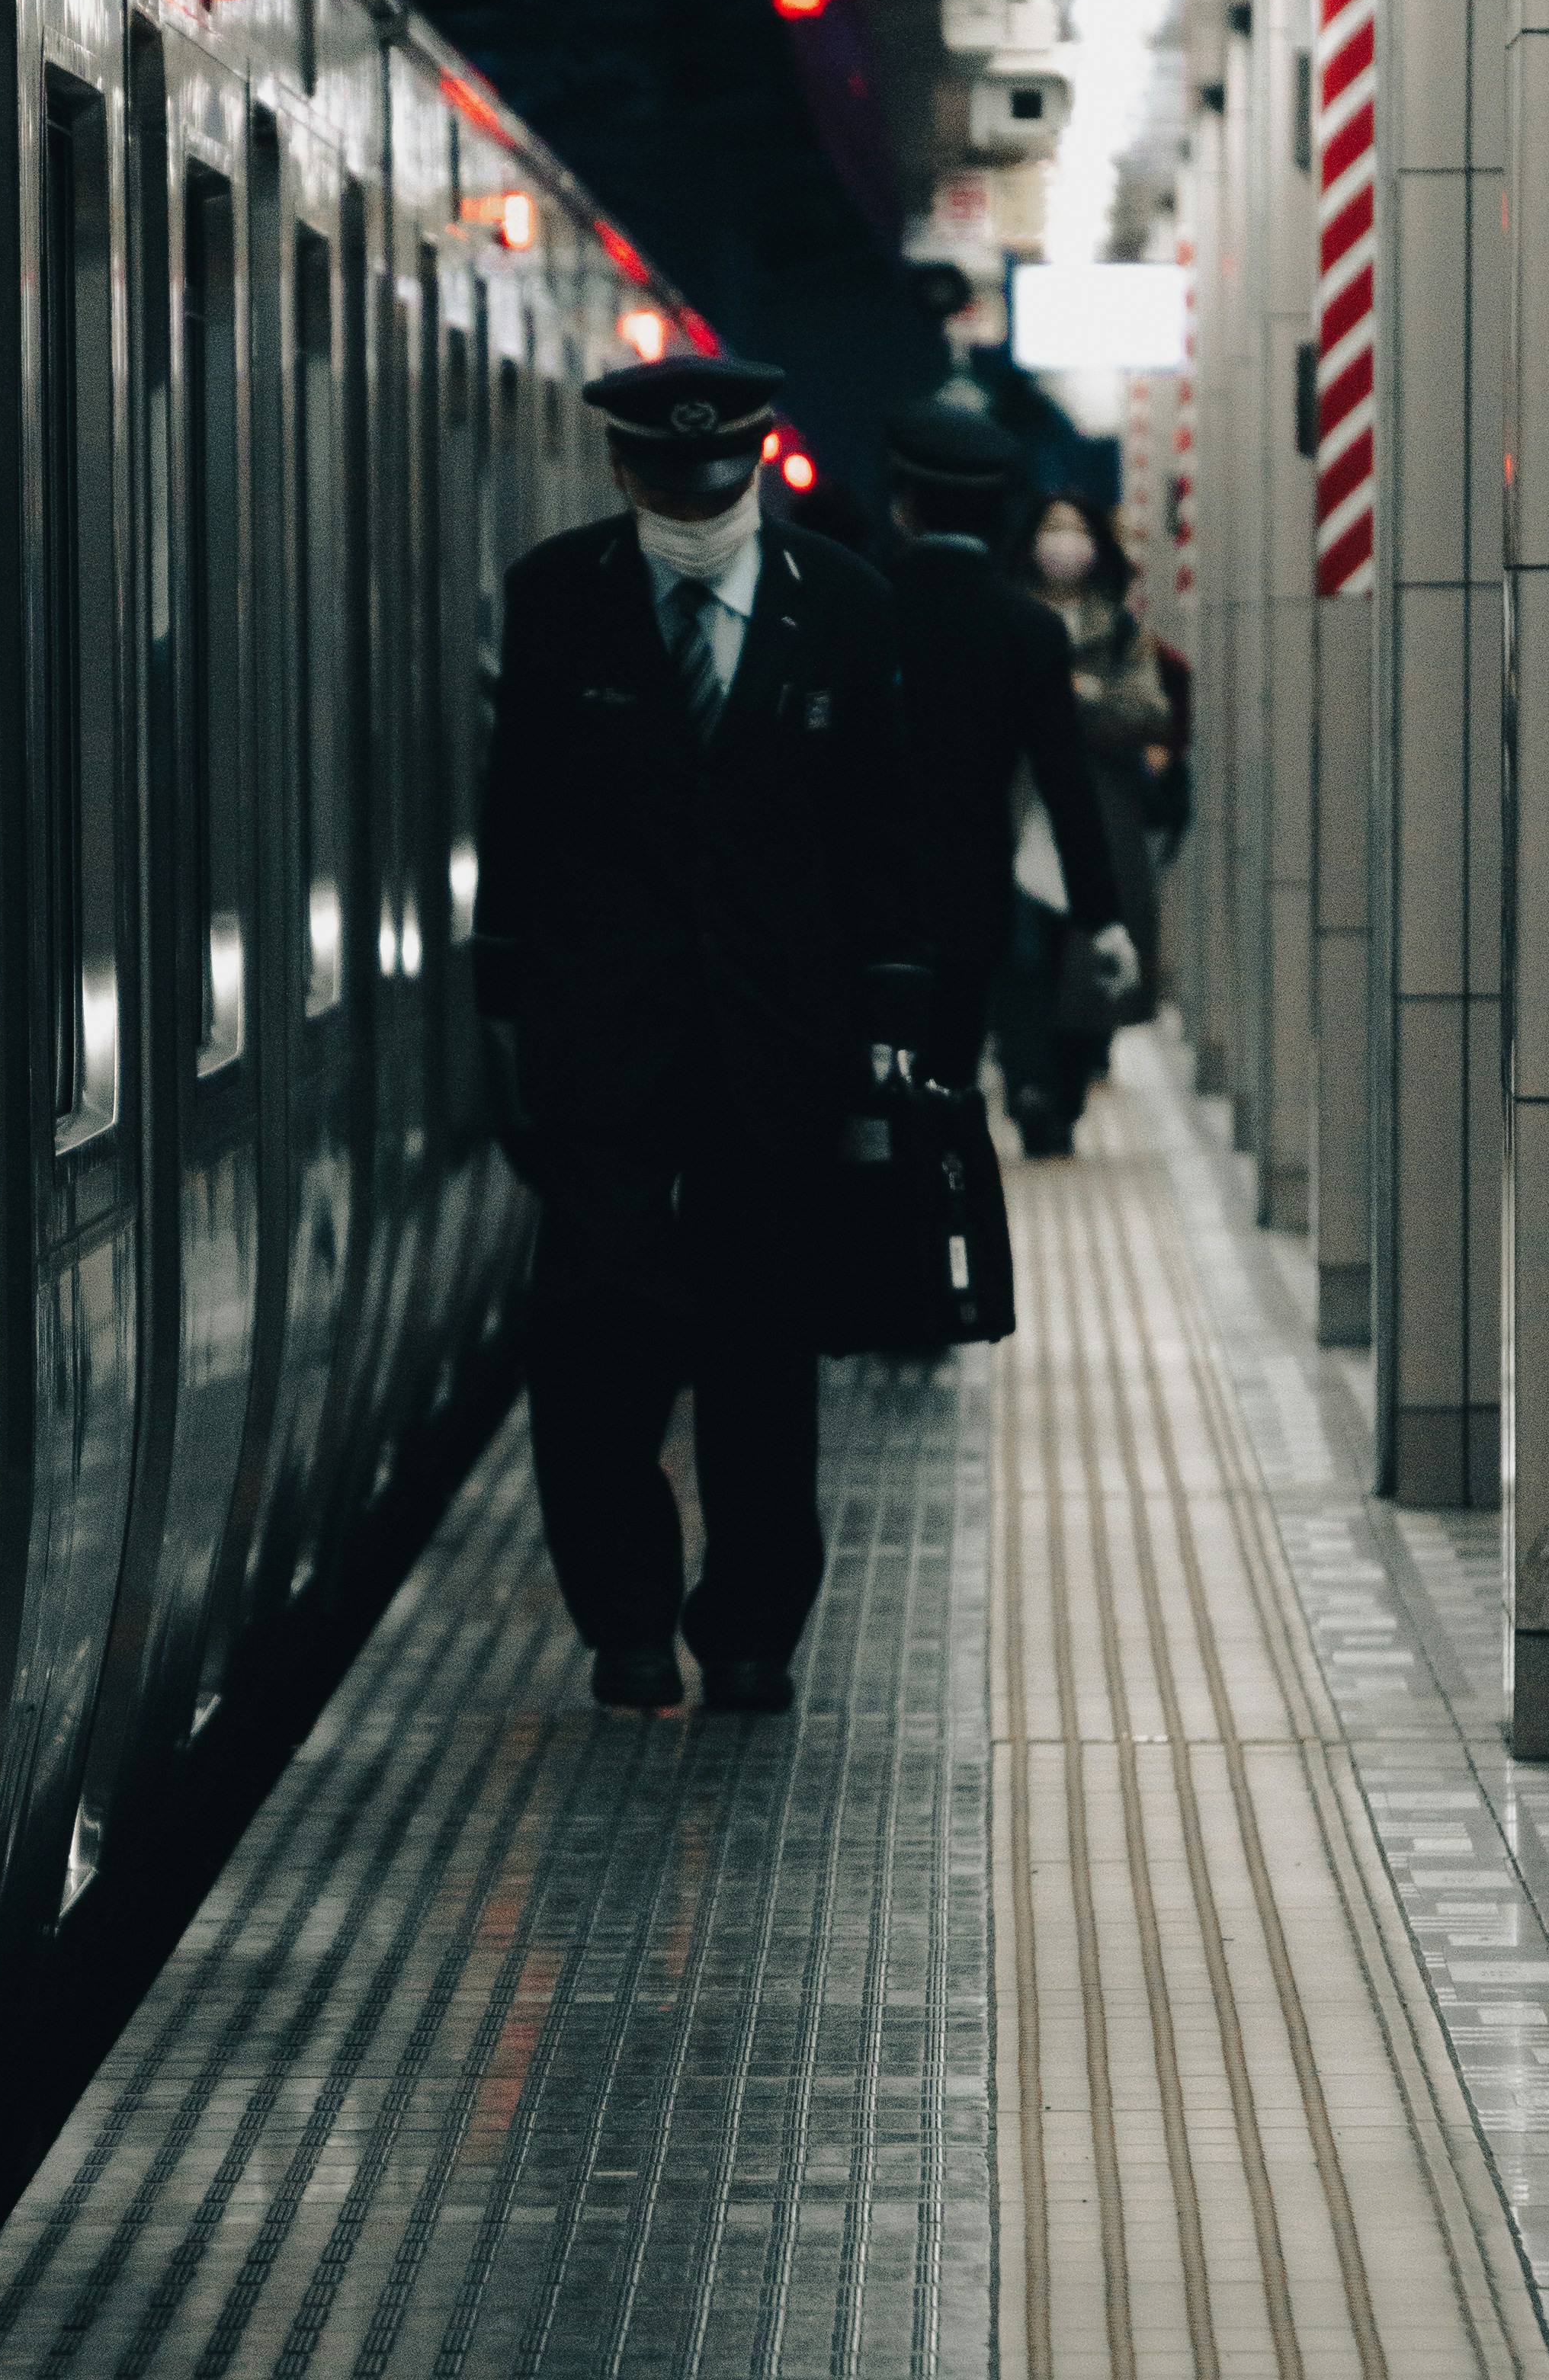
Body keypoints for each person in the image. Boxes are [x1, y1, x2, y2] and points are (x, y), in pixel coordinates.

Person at [474, 351, 921, 1717]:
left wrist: (888, 1037)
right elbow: (519, 827)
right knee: (592, 1327)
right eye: (668, 483)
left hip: (779, 1051)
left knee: (762, 1351)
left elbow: (880, 843)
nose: (694, 503)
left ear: (757, 467)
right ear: (622, 473)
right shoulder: (559, 599)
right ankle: (623, 1613)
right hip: (600, 1046)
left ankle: (750, 1631)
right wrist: (503, 1028)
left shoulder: (840, 608)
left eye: (717, 481)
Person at [881, 396, 1136, 1110]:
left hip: (864, 900)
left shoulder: (860, 606)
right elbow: (1064, 780)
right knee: (949, 1075)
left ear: (905, 503)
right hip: (973, 898)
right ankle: (943, 1195)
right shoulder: (1026, 629)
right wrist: (1102, 916)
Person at [994, 492, 1178, 1154]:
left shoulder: (1122, 632)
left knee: (1088, 963)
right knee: (1020, 961)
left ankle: (1064, 1094)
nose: (1064, 544)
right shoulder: (1003, 617)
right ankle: (1028, 1089)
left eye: (1076, 531)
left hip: (1095, 817)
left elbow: (1148, 714)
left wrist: (1075, 695)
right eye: (1051, 530)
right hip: (1016, 814)